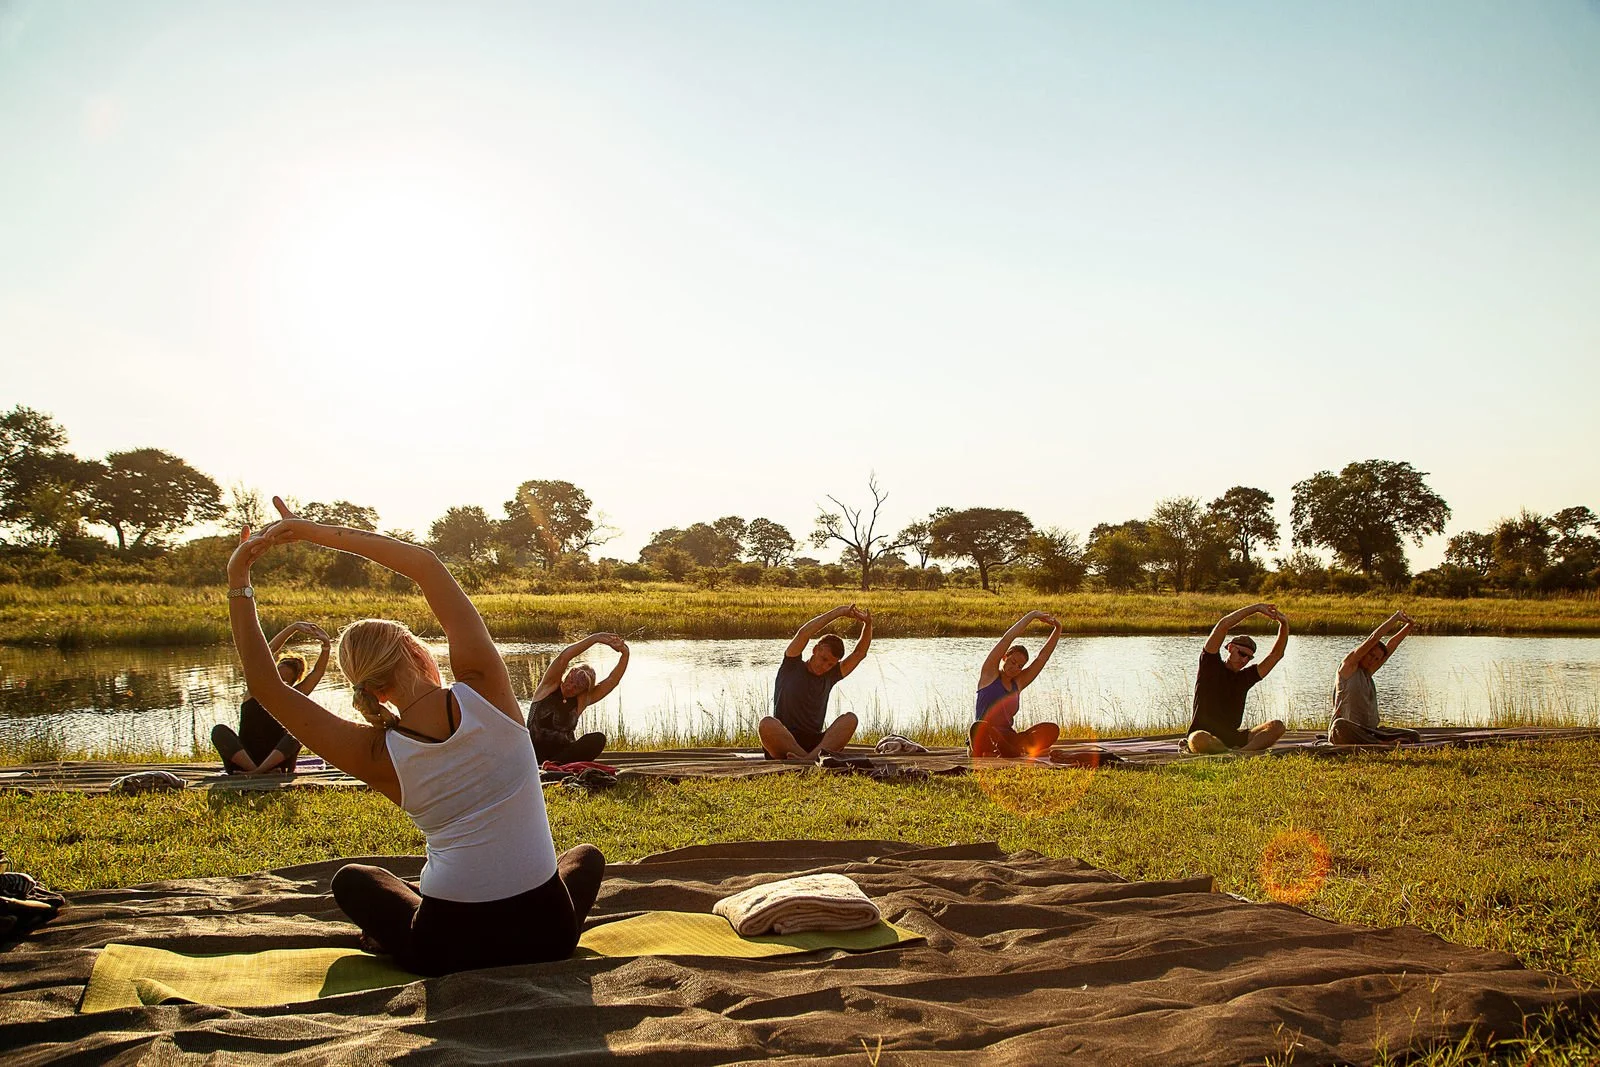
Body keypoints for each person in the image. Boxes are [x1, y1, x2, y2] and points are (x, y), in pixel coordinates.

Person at [226, 497, 604, 977]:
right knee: (586, 858)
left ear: (368, 687)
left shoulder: (376, 752)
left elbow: (265, 687)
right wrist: (311, 531)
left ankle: (396, 936)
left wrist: (239, 581)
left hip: (445, 948)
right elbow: (425, 565)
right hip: (547, 934)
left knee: (353, 880)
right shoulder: (484, 687)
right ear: (415, 648)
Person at [212, 621, 330, 775]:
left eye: (284, 682)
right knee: (219, 730)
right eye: (277, 678)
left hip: (277, 764)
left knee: (298, 733)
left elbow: (317, 673)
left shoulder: (293, 697)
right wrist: (292, 628)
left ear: (292, 683)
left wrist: (326, 645)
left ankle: (258, 771)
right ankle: (254, 771)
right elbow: (266, 652)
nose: (278, 684)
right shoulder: (254, 690)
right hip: (243, 761)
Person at [759, 604, 872, 759]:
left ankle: (806, 760)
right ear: (815, 649)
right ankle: (811, 761)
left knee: (850, 719)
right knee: (767, 724)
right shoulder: (791, 664)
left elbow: (859, 653)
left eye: (830, 664)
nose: (824, 666)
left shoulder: (831, 676)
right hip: (785, 741)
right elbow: (804, 633)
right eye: (823, 659)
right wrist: (839, 612)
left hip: (815, 744)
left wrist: (868, 624)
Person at [1185, 602, 1289, 754]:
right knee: (1197, 738)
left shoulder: (1245, 677)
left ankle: (1240, 754)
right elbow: (1223, 626)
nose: (1244, 660)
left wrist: (1284, 624)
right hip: (1204, 735)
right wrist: (1256, 608)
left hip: (1233, 738)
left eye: (1249, 658)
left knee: (1278, 726)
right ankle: (1229, 752)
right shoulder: (1210, 665)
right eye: (1242, 654)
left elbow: (1276, 655)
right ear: (1230, 648)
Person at [970, 610, 1063, 758]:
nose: (1015, 668)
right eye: (1013, 662)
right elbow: (1007, 639)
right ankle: (1006, 752)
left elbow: (1042, 658)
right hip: (986, 736)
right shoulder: (989, 675)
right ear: (1004, 657)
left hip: (1009, 739)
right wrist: (1033, 615)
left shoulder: (1018, 683)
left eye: (1020, 666)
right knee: (978, 727)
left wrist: (1058, 629)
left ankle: (1008, 751)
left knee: (1051, 729)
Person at [529, 633, 629, 763]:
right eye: (570, 682)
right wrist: (596, 638)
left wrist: (625, 654)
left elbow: (612, 680)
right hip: (533, 753)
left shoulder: (581, 701)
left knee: (597, 739)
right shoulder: (549, 687)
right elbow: (564, 657)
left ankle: (556, 766)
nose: (570, 688)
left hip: (562, 757)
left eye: (576, 687)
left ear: (583, 691)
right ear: (568, 675)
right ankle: (549, 767)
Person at [1328, 610, 1421, 745]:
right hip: (1347, 731)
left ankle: (1375, 740)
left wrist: (1408, 627)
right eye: (1371, 655)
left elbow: (1390, 647)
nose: (1373, 661)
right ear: (1365, 652)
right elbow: (1373, 638)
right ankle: (1380, 743)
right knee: (1339, 726)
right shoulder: (1348, 667)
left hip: (1370, 731)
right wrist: (1395, 618)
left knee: (1413, 735)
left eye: (1377, 658)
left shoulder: (1368, 671)